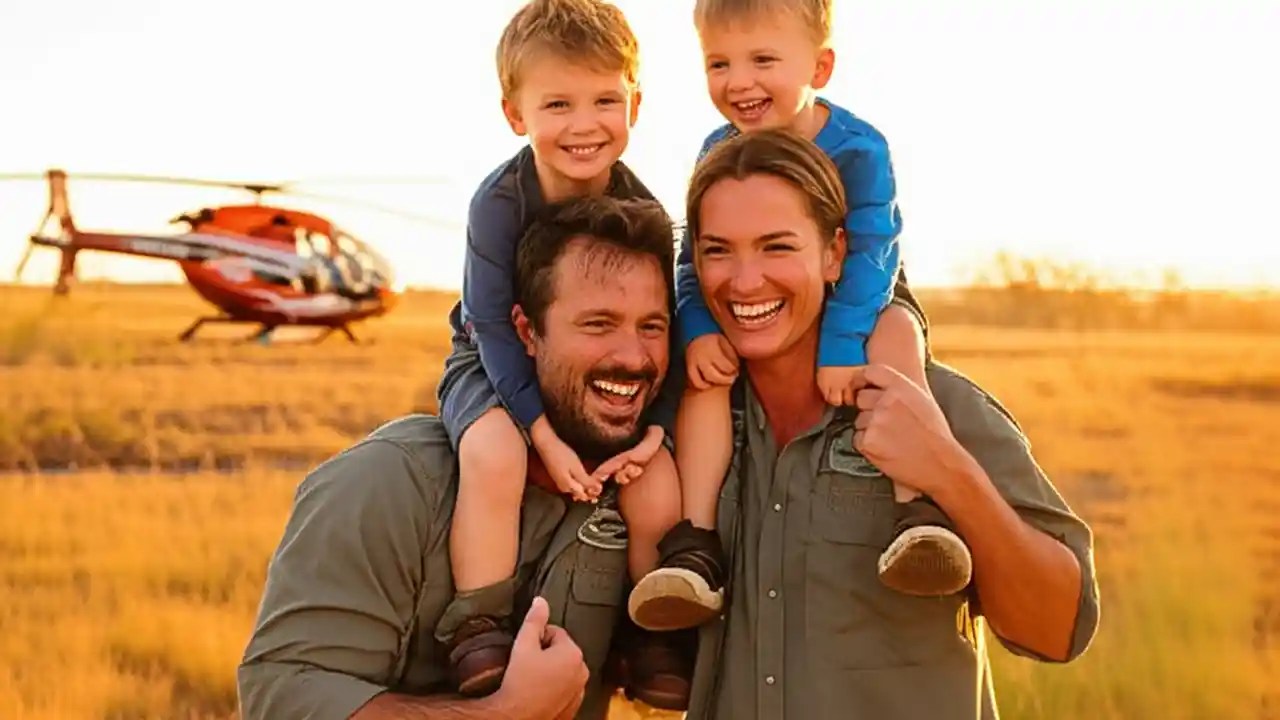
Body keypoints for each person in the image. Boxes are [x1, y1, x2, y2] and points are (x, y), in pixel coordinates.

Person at [677, 129, 1100, 718]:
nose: (745, 281)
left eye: (777, 247)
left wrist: (948, 471)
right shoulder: (688, 430)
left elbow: (1057, 629)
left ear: (834, 255)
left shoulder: (936, 404)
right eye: (718, 250)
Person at [237, 196, 693, 719]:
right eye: (597, 324)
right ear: (525, 332)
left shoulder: (653, 499)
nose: (633, 357)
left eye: (652, 327)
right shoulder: (389, 482)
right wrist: (505, 714)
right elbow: (281, 699)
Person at [626, 0, 973, 632]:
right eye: (718, 63)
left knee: (897, 337)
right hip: (753, 309)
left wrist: (843, 342)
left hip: (867, 294)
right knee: (707, 377)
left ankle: (917, 510)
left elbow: (873, 251)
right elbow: (692, 253)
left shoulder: (859, 148)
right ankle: (696, 542)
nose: (739, 82)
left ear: (822, 65)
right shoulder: (716, 149)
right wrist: (700, 329)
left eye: (763, 60)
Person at [437, 0, 687, 699]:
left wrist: (653, 433)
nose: (584, 124)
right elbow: (488, 324)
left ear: (635, 103)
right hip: (489, 357)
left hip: (599, 364)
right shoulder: (499, 202)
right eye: (557, 104)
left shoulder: (645, 211)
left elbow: (665, 325)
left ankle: (649, 628)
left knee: (659, 478)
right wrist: (541, 435)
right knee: (492, 453)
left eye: (605, 99)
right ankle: (478, 622)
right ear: (516, 115)